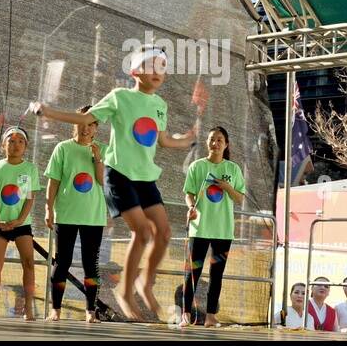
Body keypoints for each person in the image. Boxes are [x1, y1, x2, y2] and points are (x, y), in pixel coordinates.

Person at [28, 45, 198, 320]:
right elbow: (86, 117)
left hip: (145, 178)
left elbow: (163, 140)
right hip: (119, 175)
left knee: (164, 232)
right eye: (151, 65)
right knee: (142, 232)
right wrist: (48, 111)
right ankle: (124, 292)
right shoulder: (120, 97)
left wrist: (186, 140)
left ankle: (144, 283)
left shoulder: (159, 105)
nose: (158, 72)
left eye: (162, 67)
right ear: (135, 71)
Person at [45, 106, 107, 324]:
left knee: (91, 264)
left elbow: (102, 181)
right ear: (74, 123)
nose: (86, 127)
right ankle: (56, 310)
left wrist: (97, 158)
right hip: (66, 214)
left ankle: (91, 311)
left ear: (96, 128)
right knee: (62, 262)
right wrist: (48, 208)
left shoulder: (103, 149)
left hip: (93, 216)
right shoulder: (62, 148)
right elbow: (53, 181)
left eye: (91, 124)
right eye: (82, 122)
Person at [181, 126, 246, 328]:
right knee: (193, 272)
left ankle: (210, 316)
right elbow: (189, 192)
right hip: (199, 229)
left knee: (216, 274)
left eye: (219, 140)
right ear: (207, 142)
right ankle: (185, 314)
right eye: (211, 139)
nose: (215, 143)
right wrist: (191, 206)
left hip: (222, 231)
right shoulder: (197, 166)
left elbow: (239, 198)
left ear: (226, 144)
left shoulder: (233, 169)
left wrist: (227, 187)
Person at [0, 127, 41, 319]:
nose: (15, 145)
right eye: (11, 141)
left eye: (20, 142)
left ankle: (29, 309)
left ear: (26, 146)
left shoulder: (29, 169)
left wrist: (19, 221)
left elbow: (28, 198)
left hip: (21, 225)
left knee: (29, 264)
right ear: (3, 145)